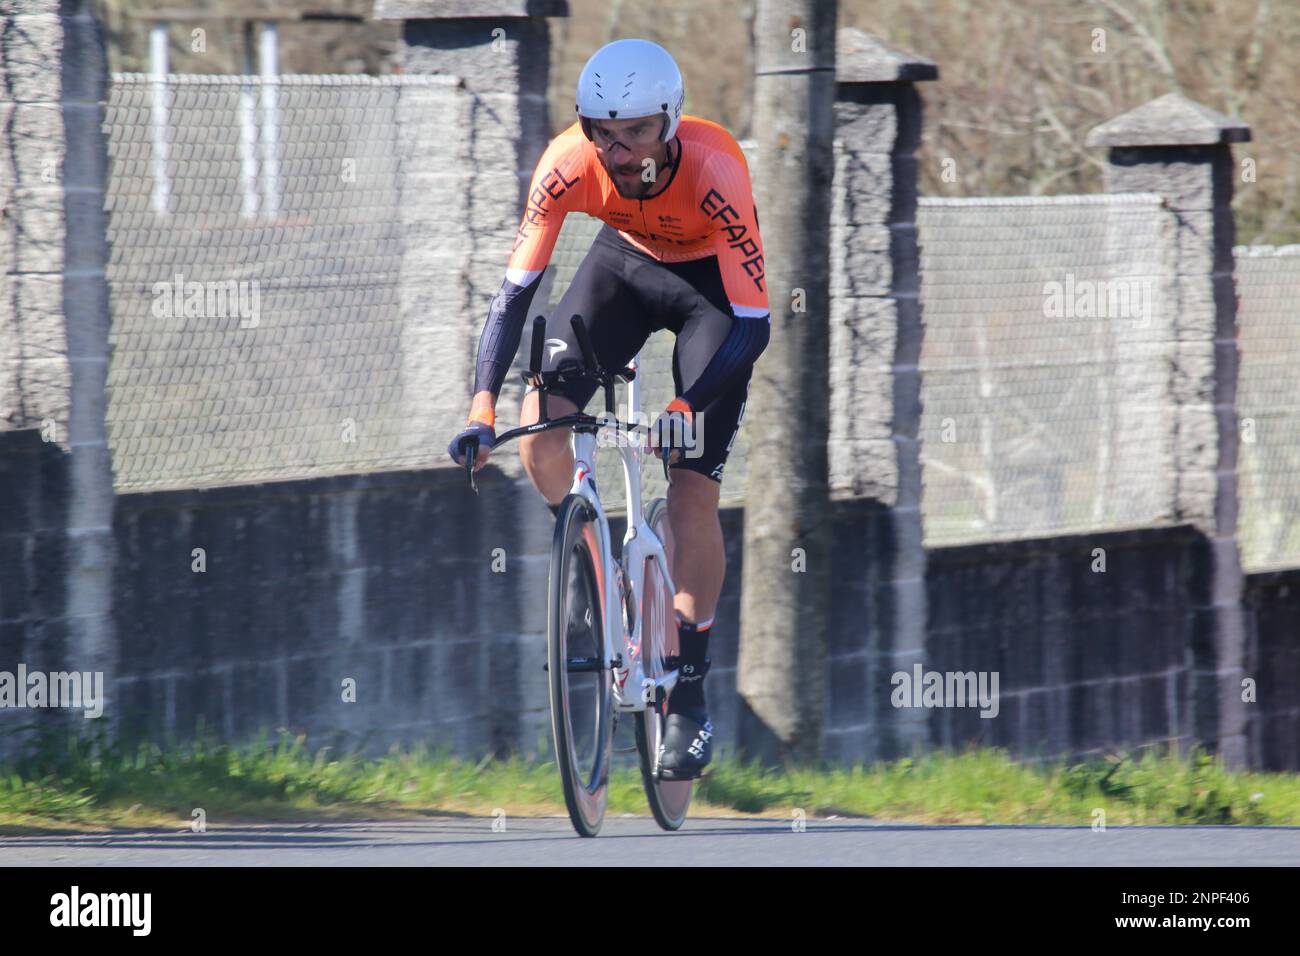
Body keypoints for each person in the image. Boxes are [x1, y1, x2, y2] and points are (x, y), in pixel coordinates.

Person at [447, 38, 769, 780]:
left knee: (691, 487)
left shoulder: (717, 168)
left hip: (711, 297)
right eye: (603, 131)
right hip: (622, 268)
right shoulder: (566, 163)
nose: (618, 152)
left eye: (636, 132)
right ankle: (595, 575)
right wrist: (482, 406)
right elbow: (514, 293)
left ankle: (688, 696)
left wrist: (688, 400)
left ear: (670, 121)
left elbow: (754, 323)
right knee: (542, 431)